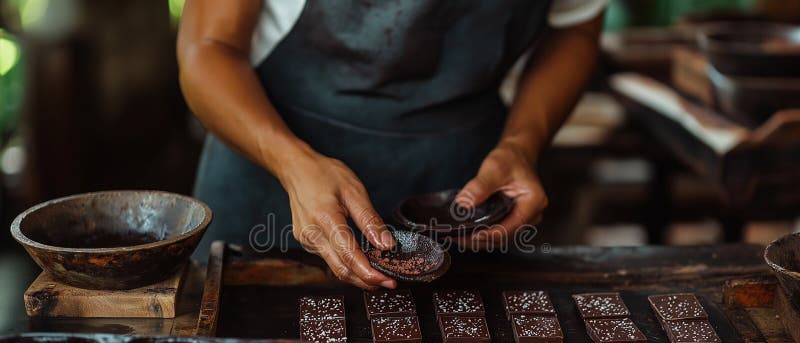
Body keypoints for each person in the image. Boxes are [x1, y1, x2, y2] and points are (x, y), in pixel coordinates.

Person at [178, 0, 606, 290]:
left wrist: (522, 143)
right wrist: (291, 162)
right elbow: (208, 48)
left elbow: (575, 29)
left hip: (464, 183)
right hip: (272, 163)